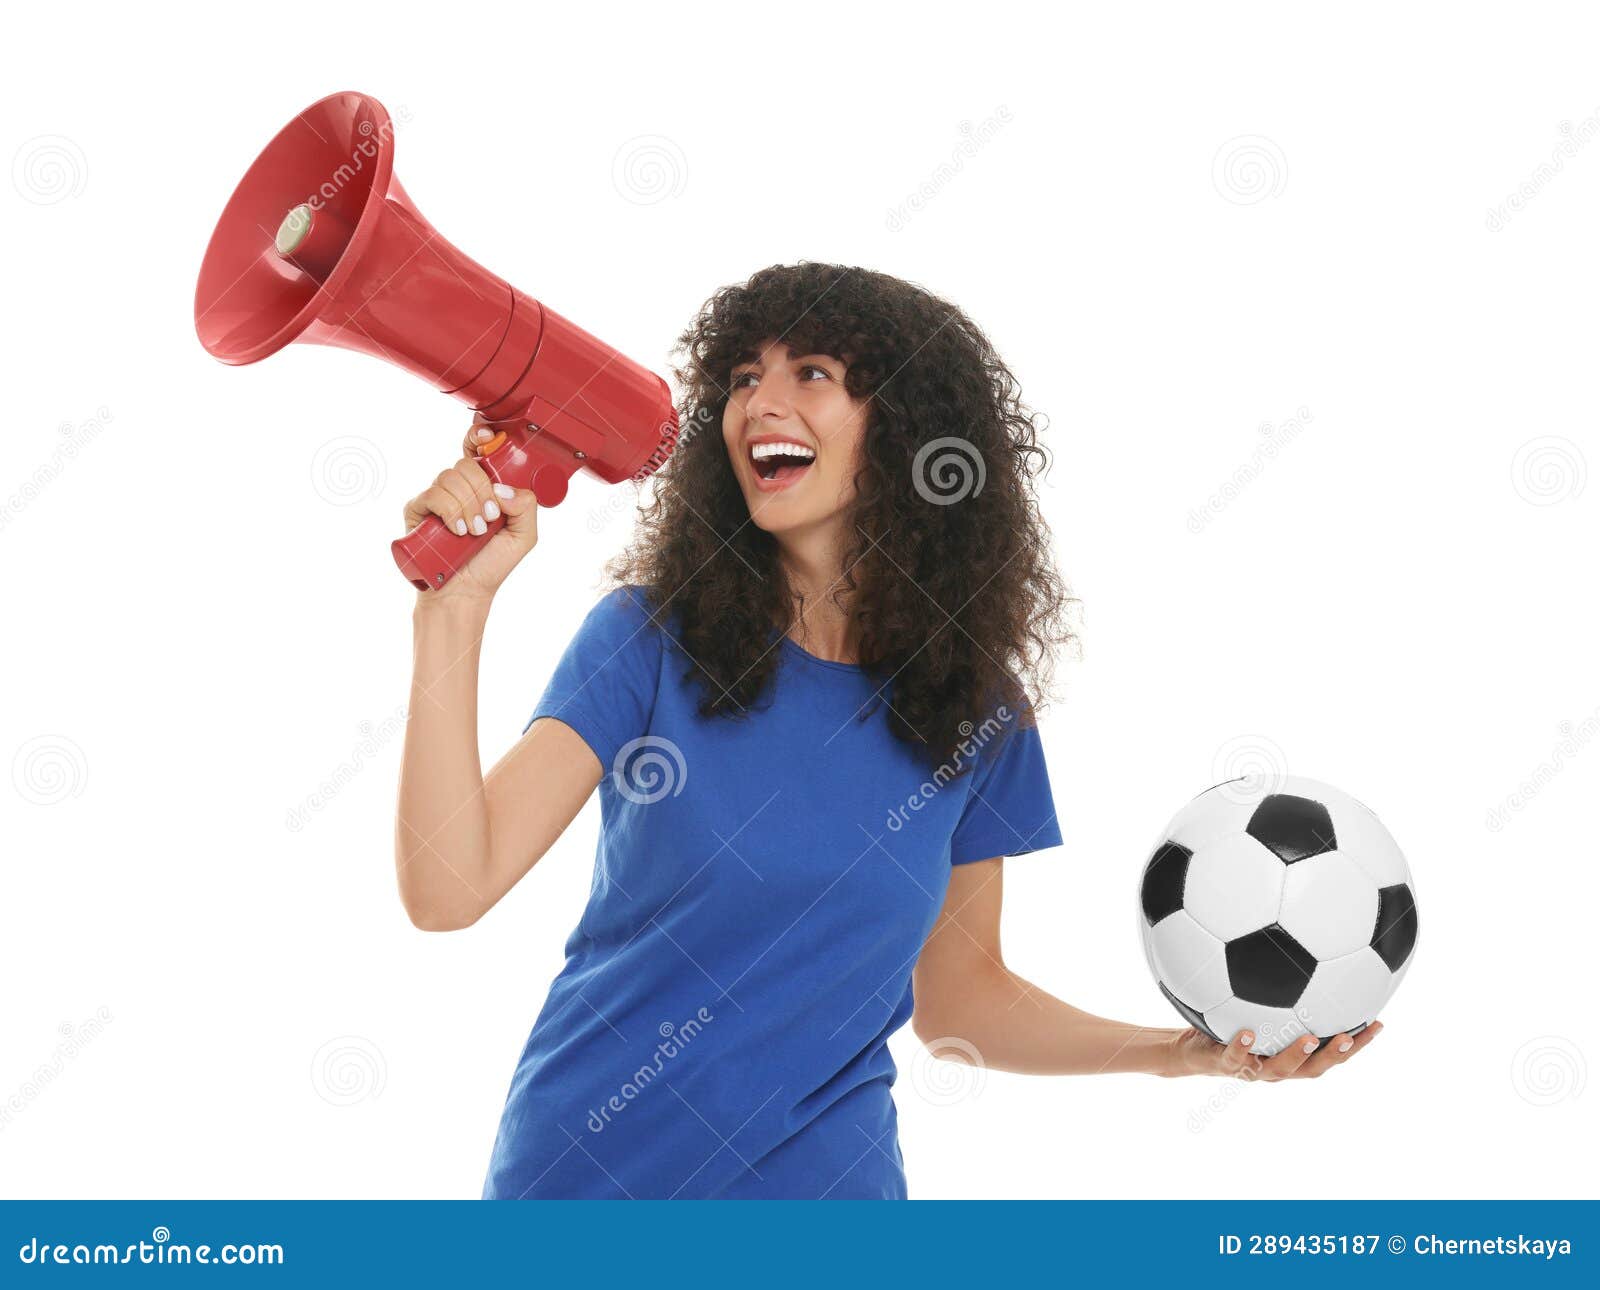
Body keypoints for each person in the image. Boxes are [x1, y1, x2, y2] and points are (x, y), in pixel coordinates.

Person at [394, 262, 1381, 1200]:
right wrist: (452, 610)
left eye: (811, 374)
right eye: (744, 377)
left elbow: (961, 1004)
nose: (759, 404)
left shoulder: (974, 709)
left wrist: (1182, 1053)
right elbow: (449, 887)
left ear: (905, 431)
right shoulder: (646, 641)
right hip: (585, 1191)